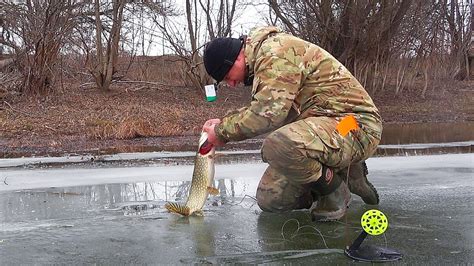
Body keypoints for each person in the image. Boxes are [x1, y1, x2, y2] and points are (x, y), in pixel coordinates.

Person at [201, 26, 382, 221]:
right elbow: (264, 105)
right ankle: (345, 172)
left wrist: (220, 133)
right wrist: (225, 122)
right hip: (328, 125)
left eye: (228, 76)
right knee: (271, 199)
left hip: (353, 123)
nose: (232, 84)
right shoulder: (264, 58)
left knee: (277, 145)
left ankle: (335, 190)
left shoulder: (275, 52)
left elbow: (267, 115)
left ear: (236, 58)